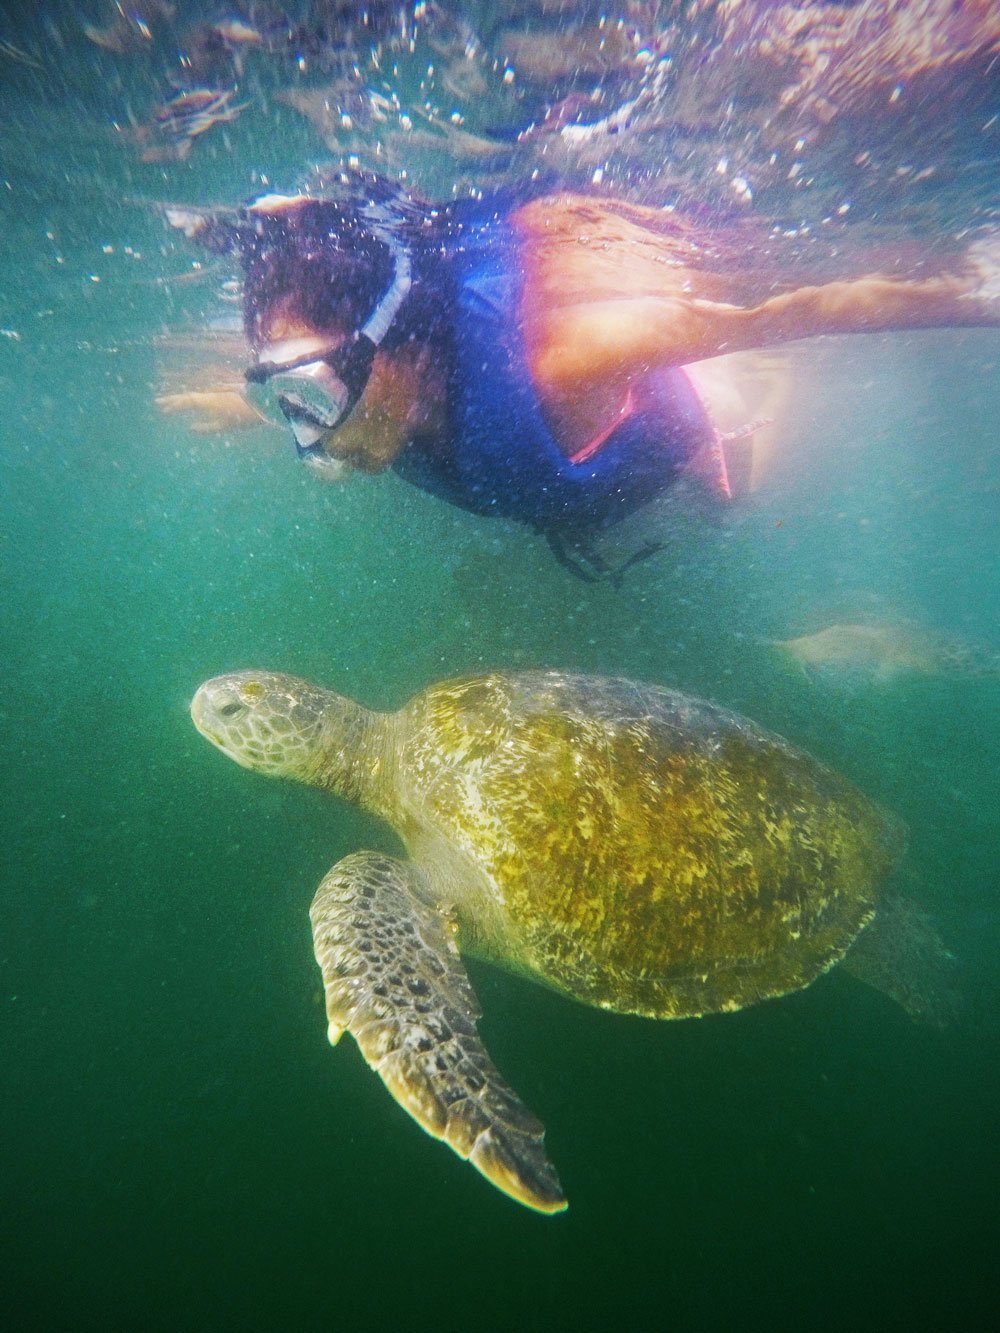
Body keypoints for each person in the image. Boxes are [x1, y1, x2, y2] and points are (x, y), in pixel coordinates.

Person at [165, 171, 1000, 580]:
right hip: (564, 501)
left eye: (309, 396)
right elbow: (321, 396)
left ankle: (760, 395)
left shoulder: (561, 359)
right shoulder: (375, 399)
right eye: (284, 402)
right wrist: (260, 404)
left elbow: (803, 304)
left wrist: (975, 293)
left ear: (399, 347)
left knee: (728, 490)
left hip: (677, 428)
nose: (308, 436)